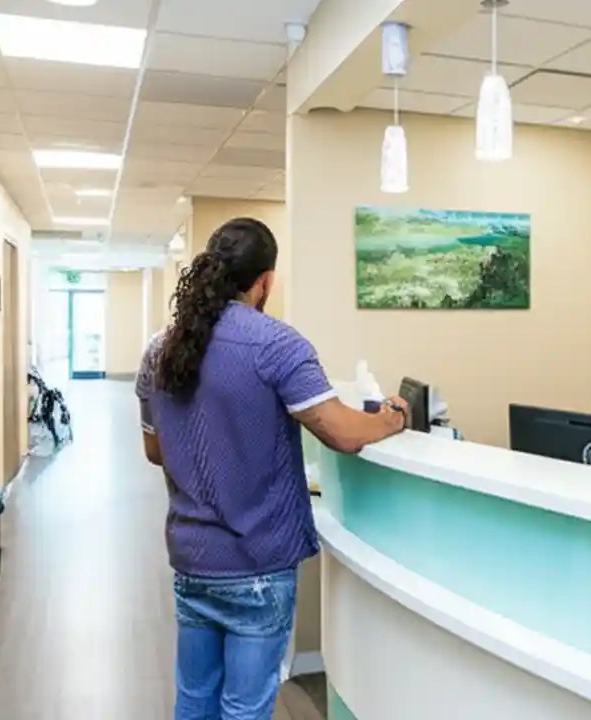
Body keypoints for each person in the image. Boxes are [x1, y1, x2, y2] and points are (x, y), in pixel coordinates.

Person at [141, 217, 409, 720]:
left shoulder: (161, 348)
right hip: (255, 564)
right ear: (265, 279)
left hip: (192, 558)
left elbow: (155, 451)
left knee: (194, 701)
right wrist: (393, 418)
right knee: (244, 708)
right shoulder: (277, 345)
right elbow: (344, 433)